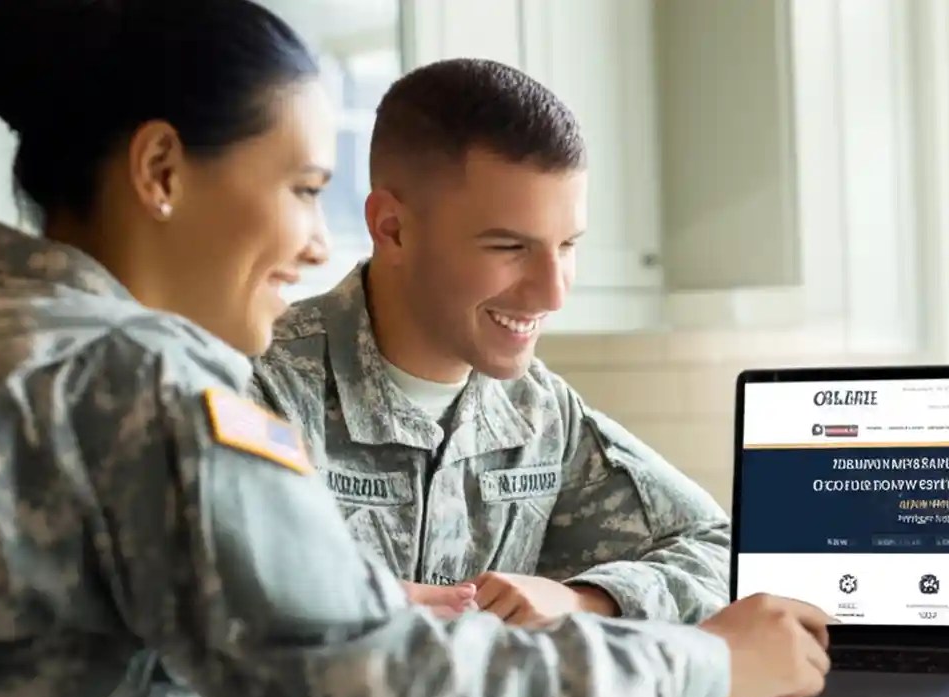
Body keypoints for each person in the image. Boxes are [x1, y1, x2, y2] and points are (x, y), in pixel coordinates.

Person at [0, 1, 834, 697]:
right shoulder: (144, 384)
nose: (310, 244)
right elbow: (383, 687)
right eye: (301, 191)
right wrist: (708, 665)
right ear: (162, 171)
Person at [251, 58, 732, 628]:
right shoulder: (258, 386)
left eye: (568, 245)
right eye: (509, 248)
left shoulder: (541, 414)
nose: (552, 293)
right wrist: (367, 607)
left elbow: (719, 552)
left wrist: (585, 599)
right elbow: (222, 602)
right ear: (392, 229)